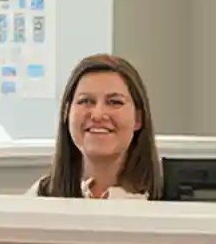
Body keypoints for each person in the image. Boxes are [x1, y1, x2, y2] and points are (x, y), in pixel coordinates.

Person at [28, 53, 162, 200]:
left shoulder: (168, 198)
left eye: (114, 102)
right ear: (67, 113)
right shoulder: (39, 197)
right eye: (86, 101)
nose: (98, 115)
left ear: (138, 118)